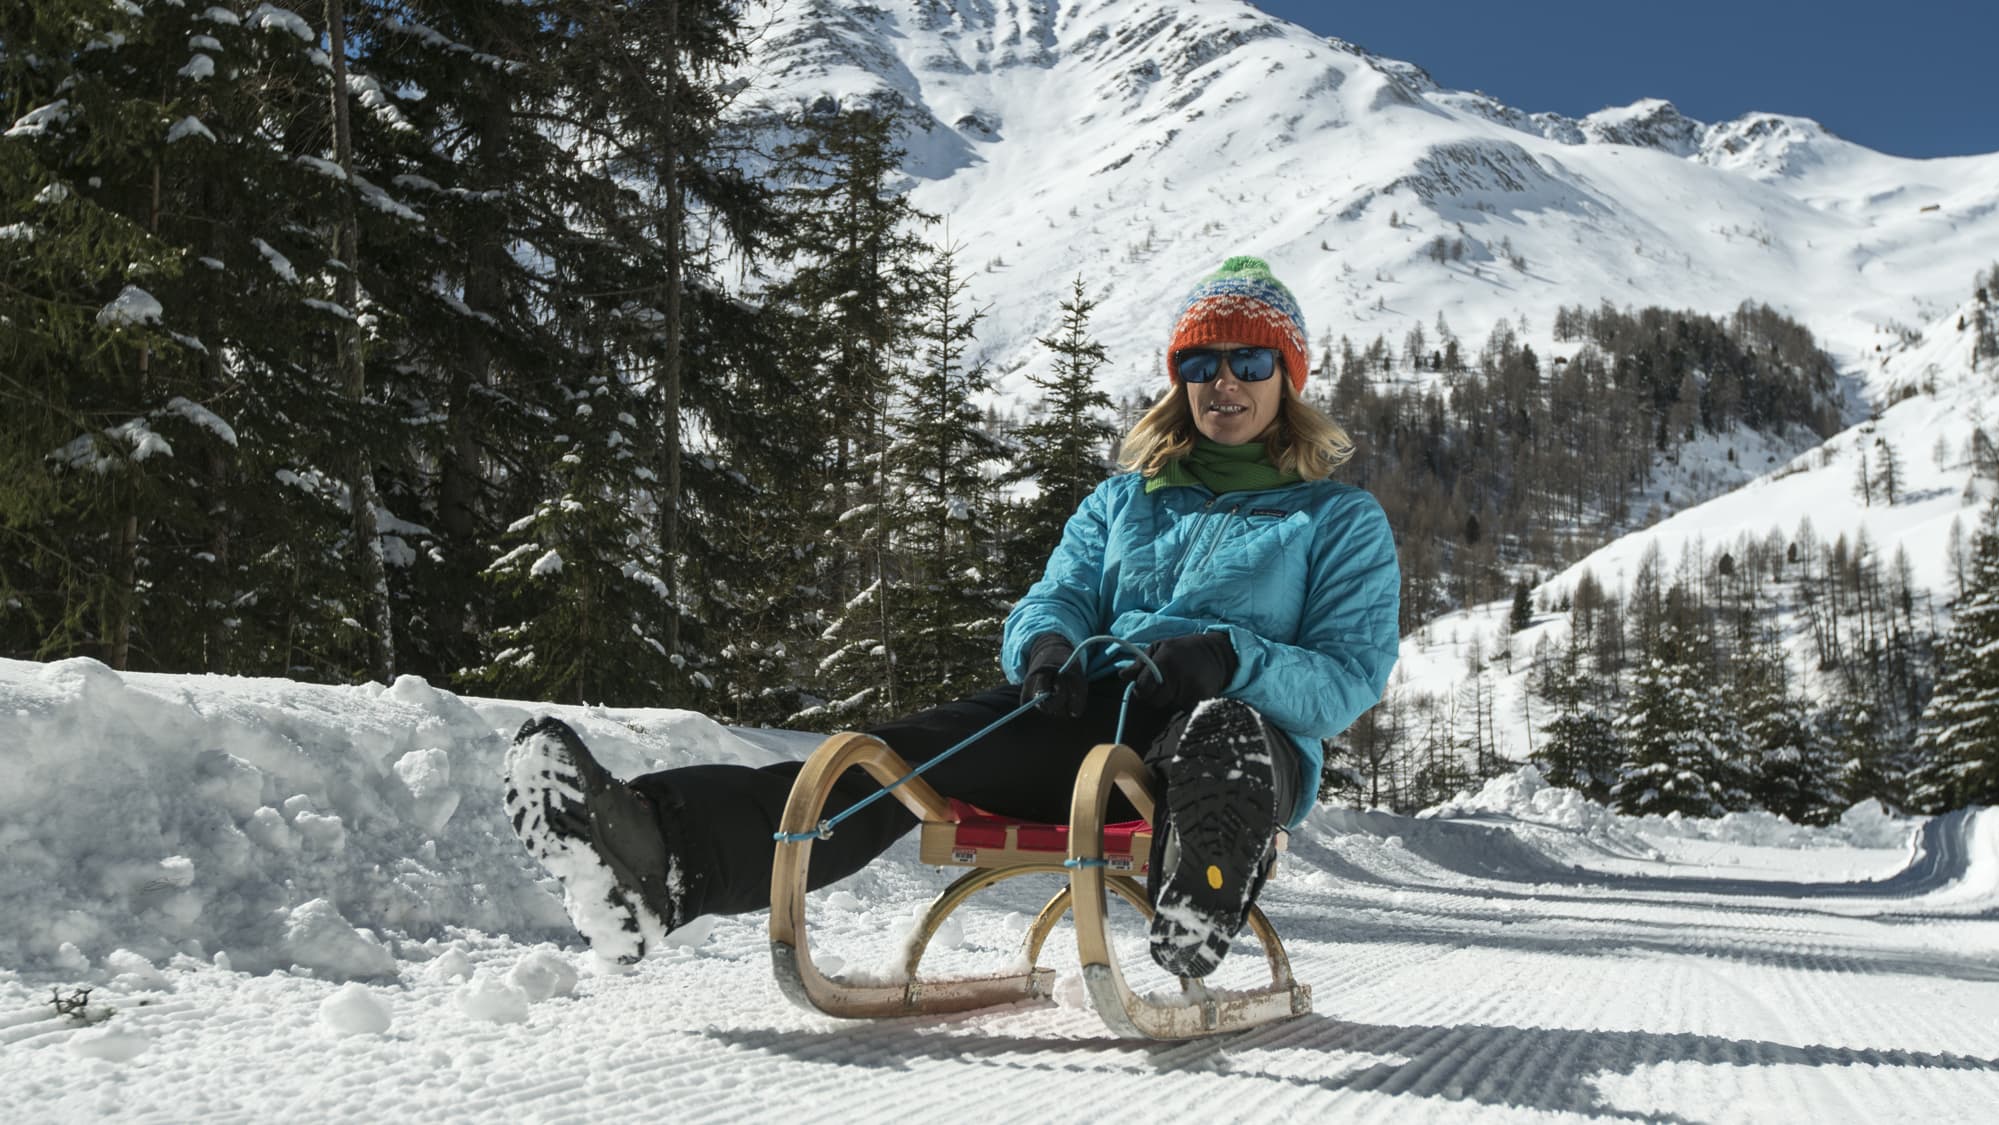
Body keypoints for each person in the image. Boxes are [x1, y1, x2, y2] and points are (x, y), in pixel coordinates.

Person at [503, 255, 1401, 979]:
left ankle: (1201, 879)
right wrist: (1044, 645)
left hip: (1242, 733)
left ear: (1288, 379)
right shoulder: (1125, 501)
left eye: (1249, 362)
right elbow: (1058, 594)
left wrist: (1231, 656)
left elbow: (1347, 678)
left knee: (1219, 734)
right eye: (1201, 364)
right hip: (1100, 718)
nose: (1224, 383)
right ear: (1178, 383)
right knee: (895, 762)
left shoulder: (1335, 519)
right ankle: (663, 854)